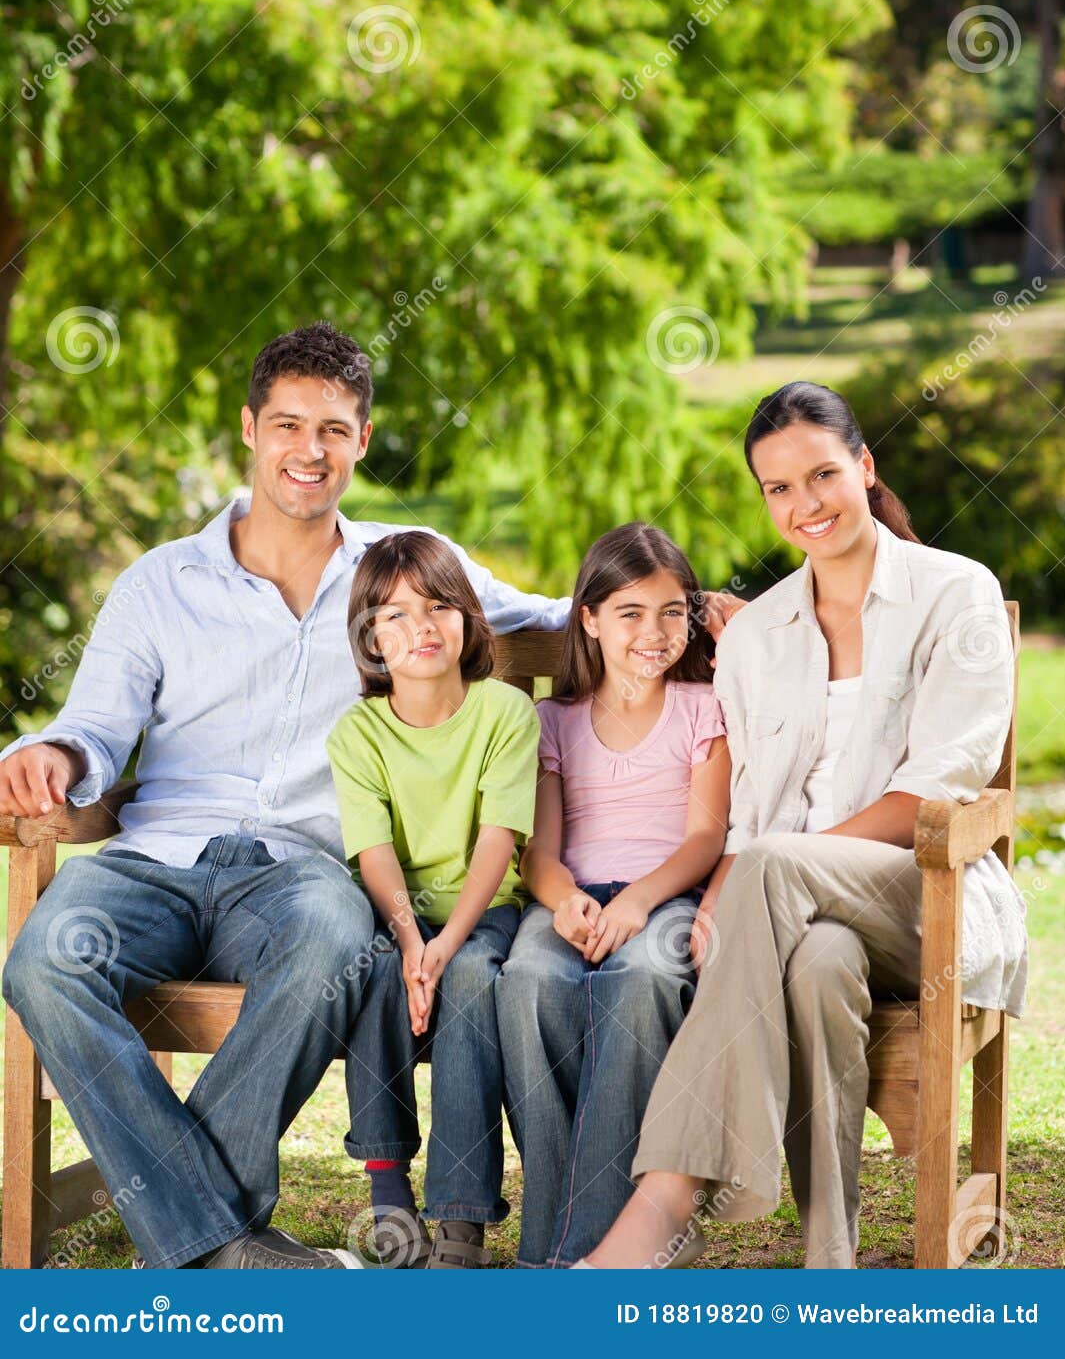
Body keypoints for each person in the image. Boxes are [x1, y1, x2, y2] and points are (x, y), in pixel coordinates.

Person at [0, 322, 574, 1270]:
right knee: (43, 962)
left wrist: (692, 602)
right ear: (250, 429)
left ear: (362, 436)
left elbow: (554, 617)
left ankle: (186, 1238)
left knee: (334, 948)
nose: (310, 451)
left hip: (302, 875)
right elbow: (90, 726)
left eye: (335, 429)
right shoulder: (162, 584)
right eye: (289, 424)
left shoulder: (405, 568)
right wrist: (55, 753)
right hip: (157, 860)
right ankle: (225, 1251)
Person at [583, 381, 1028, 1272]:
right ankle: (831, 1267)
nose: (804, 505)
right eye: (777, 489)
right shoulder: (760, 636)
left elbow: (934, 794)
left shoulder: (955, 595)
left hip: (929, 899)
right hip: (798, 918)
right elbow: (750, 817)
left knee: (781, 877)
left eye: (821, 475)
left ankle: (669, 1191)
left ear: (863, 468)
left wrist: (758, 880)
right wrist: (722, 903)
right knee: (820, 961)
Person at [496, 523, 731, 1267]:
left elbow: (704, 838)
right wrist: (563, 899)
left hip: (666, 894)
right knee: (528, 980)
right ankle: (582, 1246)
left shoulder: (702, 709)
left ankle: (569, 1259)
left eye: (671, 612)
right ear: (588, 621)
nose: (653, 632)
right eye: (629, 613)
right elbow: (539, 850)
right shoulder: (553, 721)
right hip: (569, 896)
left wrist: (637, 901)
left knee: (641, 979)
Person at [328, 530, 540, 1269]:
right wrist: (412, 942)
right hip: (396, 914)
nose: (419, 627)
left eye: (437, 606)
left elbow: (498, 841)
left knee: (476, 978)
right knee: (373, 970)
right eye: (393, 615)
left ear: (467, 618)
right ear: (370, 639)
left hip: (484, 912)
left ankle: (459, 1221)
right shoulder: (359, 732)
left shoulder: (505, 713)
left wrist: (446, 942)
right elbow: (373, 850)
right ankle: (389, 1196)